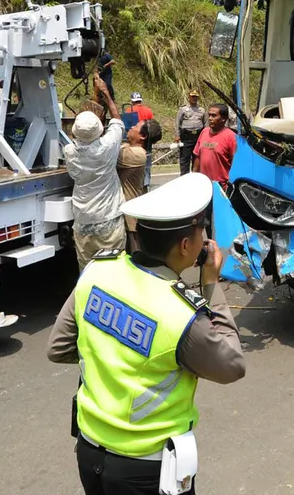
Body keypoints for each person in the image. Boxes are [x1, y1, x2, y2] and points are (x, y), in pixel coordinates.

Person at [46, 172, 245, 495]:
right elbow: (232, 365)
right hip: (147, 471)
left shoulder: (97, 272)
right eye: (201, 234)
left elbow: (58, 348)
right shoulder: (180, 315)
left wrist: (111, 358)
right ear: (185, 246)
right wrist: (211, 284)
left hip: (89, 451)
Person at [65, 75, 127, 269]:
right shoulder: (107, 147)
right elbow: (117, 120)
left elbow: (78, 138)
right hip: (108, 220)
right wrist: (106, 95)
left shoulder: (69, 152)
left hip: (83, 222)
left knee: (87, 273)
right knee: (113, 272)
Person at [192, 104, 237, 186]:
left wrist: (230, 185)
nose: (210, 118)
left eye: (214, 116)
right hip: (204, 185)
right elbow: (198, 156)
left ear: (224, 119)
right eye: (209, 115)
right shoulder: (204, 132)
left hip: (221, 187)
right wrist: (193, 177)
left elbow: (236, 164)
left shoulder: (231, 137)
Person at [176, 90, 208, 175]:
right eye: (192, 97)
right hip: (186, 136)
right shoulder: (183, 109)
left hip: (198, 136)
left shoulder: (202, 110)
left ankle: (195, 176)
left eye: (196, 97)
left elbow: (206, 124)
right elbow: (177, 123)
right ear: (189, 97)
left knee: (197, 157)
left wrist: (205, 136)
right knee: (185, 158)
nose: (194, 98)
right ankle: (184, 177)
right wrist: (177, 135)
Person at [118, 121, 150, 203]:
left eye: (136, 126)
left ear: (143, 136)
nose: (132, 127)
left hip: (127, 211)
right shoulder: (128, 146)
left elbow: (107, 153)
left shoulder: (137, 154)